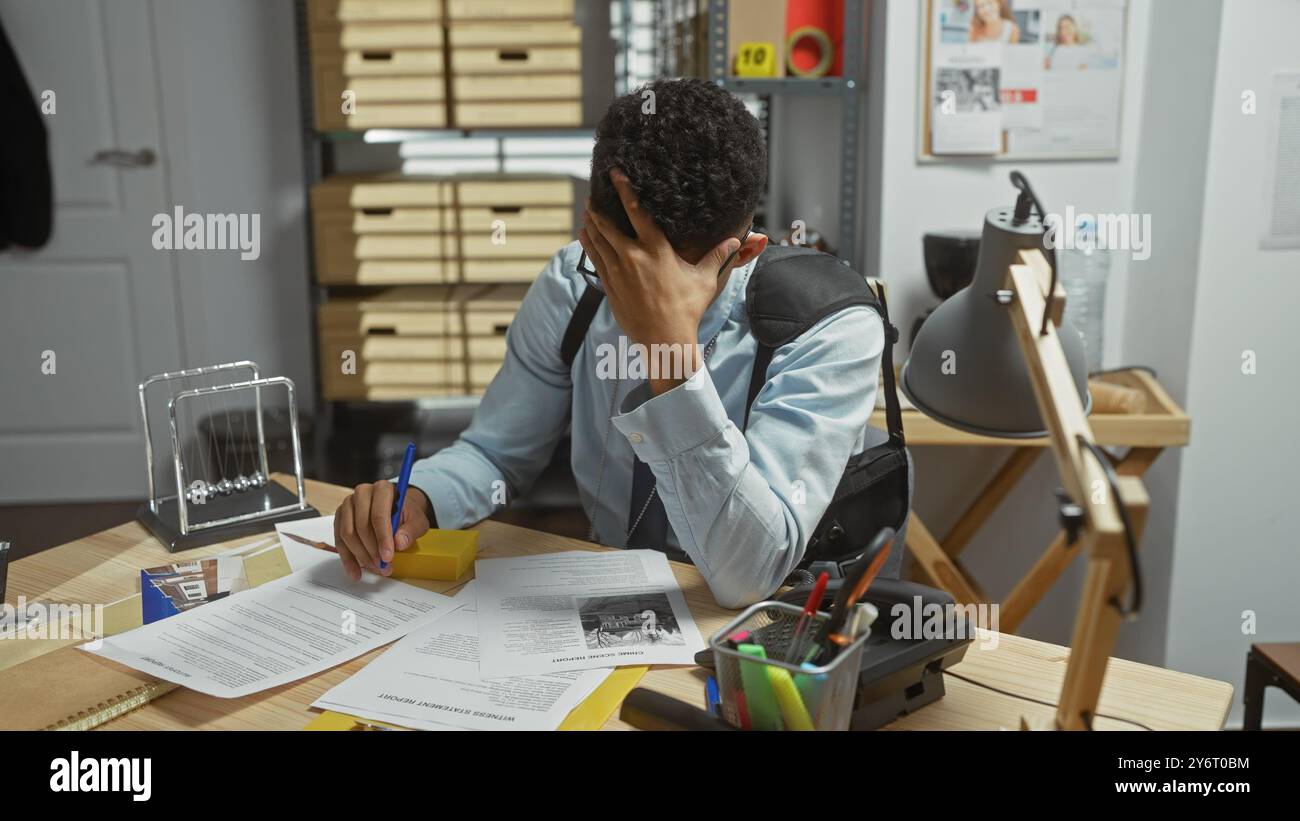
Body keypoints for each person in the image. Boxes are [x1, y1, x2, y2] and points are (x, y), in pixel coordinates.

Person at [332, 78, 886, 608]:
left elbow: (751, 572)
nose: (624, 298)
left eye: (657, 288)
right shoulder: (572, 284)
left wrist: (670, 354)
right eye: (609, 267)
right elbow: (497, 452)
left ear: (743, 251)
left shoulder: (831, 326)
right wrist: (422, 496)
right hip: (610, 591)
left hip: (767, 621)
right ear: (590, 228)